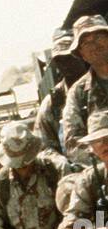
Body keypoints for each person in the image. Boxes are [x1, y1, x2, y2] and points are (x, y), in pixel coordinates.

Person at [34, 28, 86, 161]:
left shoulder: (101, 85)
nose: (66, 64)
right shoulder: (53, 102)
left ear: (81, 55)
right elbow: (43, 146)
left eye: (70, 57)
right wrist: (61, 163)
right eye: (60, 60)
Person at [62, 15, 108, 161]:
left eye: (99, 37)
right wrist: (102, 153)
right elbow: (72, 144)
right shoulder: (78, 93)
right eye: (86, 43)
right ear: (82, 54)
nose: (94, 45)